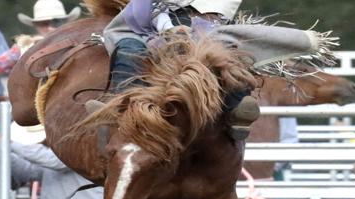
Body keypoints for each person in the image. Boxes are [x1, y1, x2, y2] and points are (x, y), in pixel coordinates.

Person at [92, 0, 261, 138]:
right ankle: (121, 106)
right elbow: (143, 10)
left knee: (226, 51)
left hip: (208, 19)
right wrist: (165, 26)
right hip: (149, 22)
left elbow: (218, 9)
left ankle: (235, 108)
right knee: (129, 47)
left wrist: (195, 27)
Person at [0, 0, 83, 80]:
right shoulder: (24, 46)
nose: (50, 27)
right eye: (44, 23)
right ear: (36, 25)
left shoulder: (78, 43)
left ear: (65, 22)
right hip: (35, 110)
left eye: (56, 22)